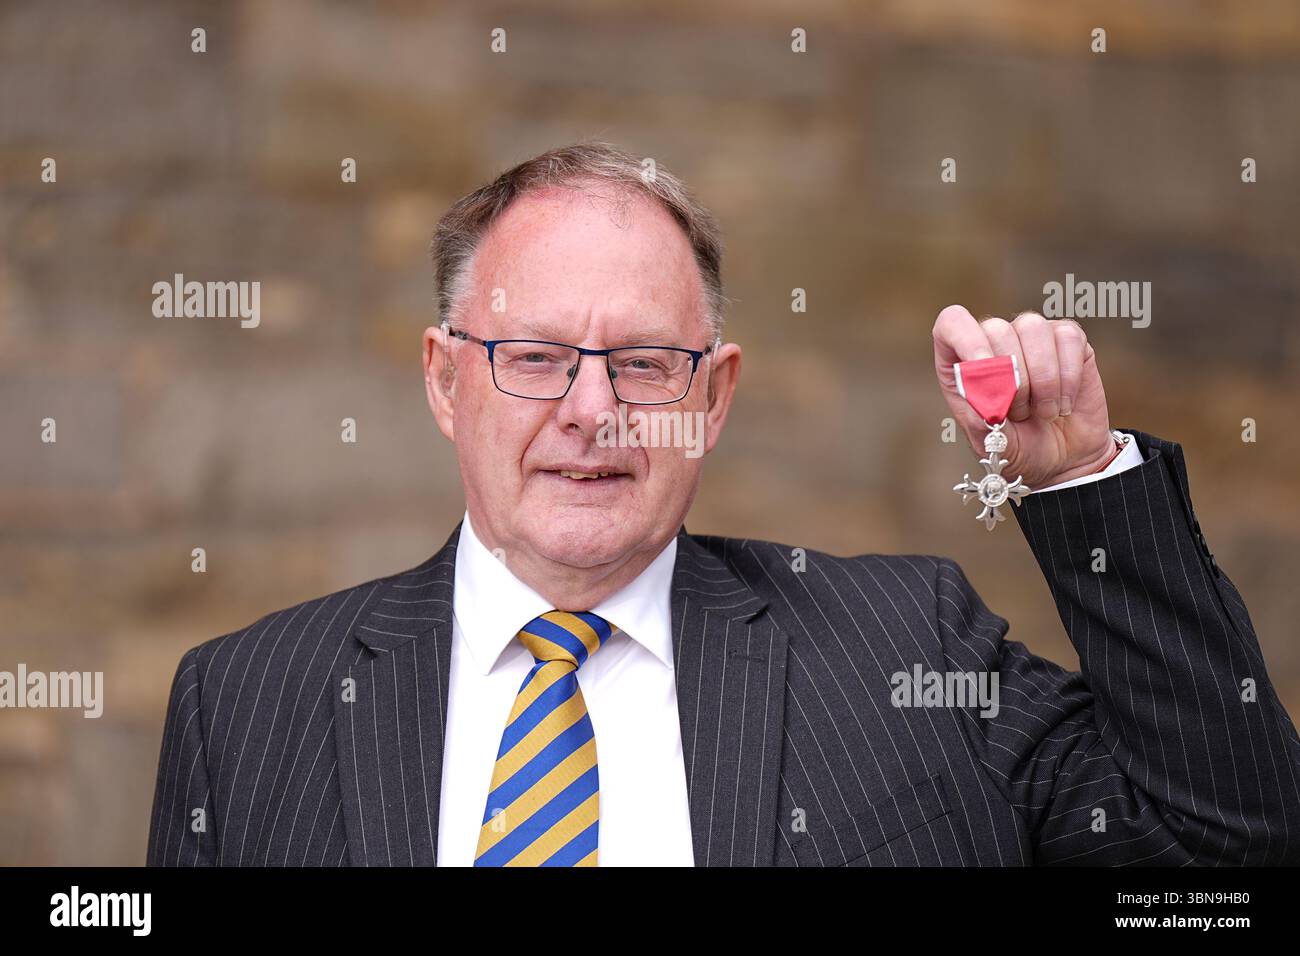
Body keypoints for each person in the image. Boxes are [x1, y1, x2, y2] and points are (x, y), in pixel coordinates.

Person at [147, 142, 1300, 867]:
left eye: (647, 361)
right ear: (447, 380)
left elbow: (1227, 847)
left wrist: (1075, 479)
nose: (594, 410)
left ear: (714, 393)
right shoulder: (245, 702)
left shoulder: (907, 649)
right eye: (537, 356)